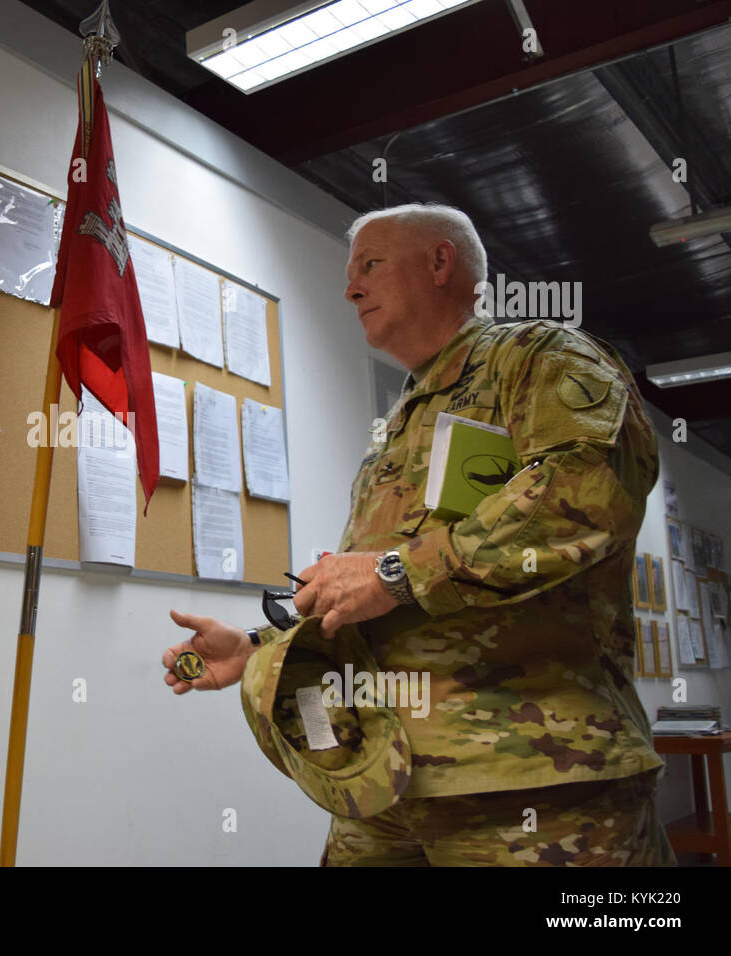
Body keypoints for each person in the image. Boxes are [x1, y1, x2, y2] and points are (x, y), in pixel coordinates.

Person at [164, 203, 675, 866]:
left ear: (441, 262)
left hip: (532, 786)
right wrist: (259, 646)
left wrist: (396, 573)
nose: (350, 288)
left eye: (370, 265)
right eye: (351, 274)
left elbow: (581, 495)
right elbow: (374, 601)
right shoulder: (397, 429)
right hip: (381, 781)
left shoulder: (539, 360)